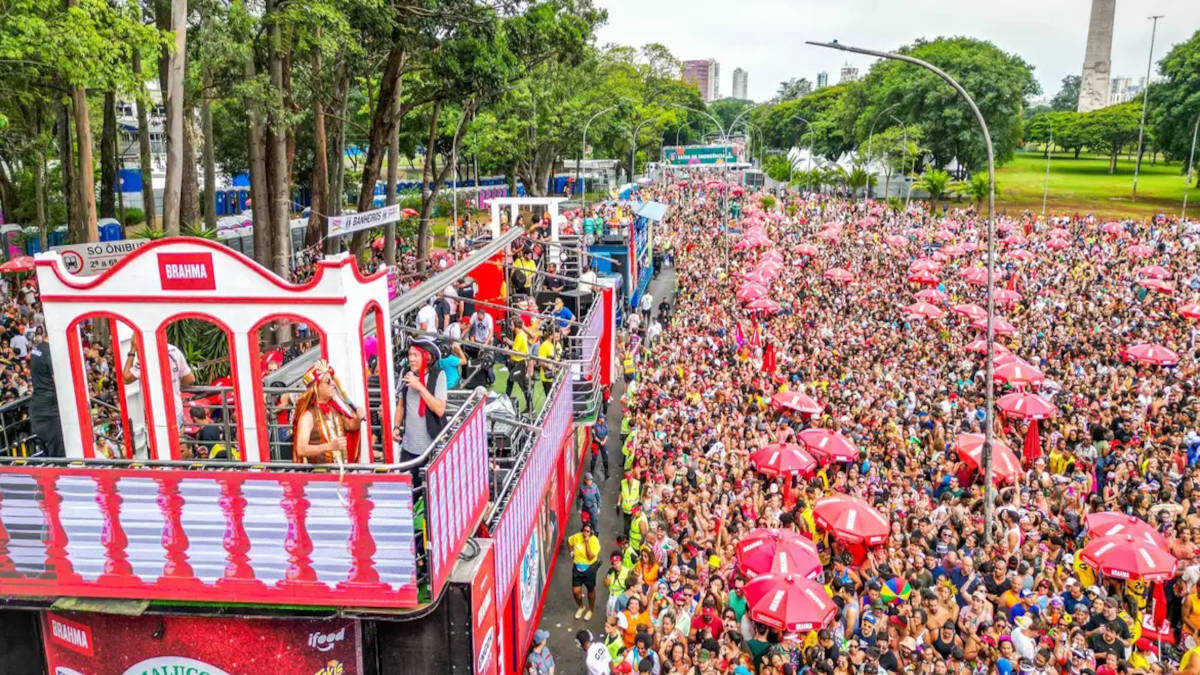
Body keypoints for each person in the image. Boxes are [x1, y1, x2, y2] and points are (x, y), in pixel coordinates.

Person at [292, 360, 364, 463]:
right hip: (320, 471)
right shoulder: (308, 416)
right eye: (328, 382)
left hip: (342, 469)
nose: (333, 384)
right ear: (316, 387)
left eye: (332, 380)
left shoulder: (335, 408)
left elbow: (352, 426)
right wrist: (329, 446)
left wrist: (358, 418)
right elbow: (301, 449)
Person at [394, 338, 448, 461]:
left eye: (415, 355)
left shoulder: (439, 375)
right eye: (410, 354)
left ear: (427, 358)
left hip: (432, 447)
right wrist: (396, 427)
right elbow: (401, 405)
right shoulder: (405, 373)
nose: (411, 359)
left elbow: (440, 410)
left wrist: (419, 386)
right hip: (408, 447)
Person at [123, 341, 194, 424]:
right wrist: (174, 384)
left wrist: (132, 349)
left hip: (157, 413)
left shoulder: (147, 355)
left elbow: (126, 378)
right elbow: (190, 379)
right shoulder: (174, 351)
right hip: (176, 410)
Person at [27, 333, 65, 457]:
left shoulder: (37, 350)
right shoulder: (50, 353)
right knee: (59, 451)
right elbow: (57, 380)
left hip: (39, 405)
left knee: (49, 450)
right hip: (50, 407)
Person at [569, 521, 601, 620]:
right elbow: (569, 542)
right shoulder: (577, 537)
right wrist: (571, 552)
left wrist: (587, 542)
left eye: (588, 531)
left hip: (589, 570)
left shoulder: (594, 541)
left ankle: (591, 609)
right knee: (576, 592)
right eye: (584, 530)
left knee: (590, 591)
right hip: (577, 569)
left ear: (591, 532)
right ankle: (581, 607)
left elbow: (590, 556)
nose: (585, 533)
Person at [589, 415, 610, 479]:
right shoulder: (594, 426)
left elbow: (607, 433)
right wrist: (600, 442)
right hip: (596, 443)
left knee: (605, 457)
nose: (604, 419)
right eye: (603, 418)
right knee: (594, 458)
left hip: (603, 442)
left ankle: (606, 471)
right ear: (599, 418)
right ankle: (591, 471)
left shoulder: (605, 424)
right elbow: (594, 436)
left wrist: (604, 441)